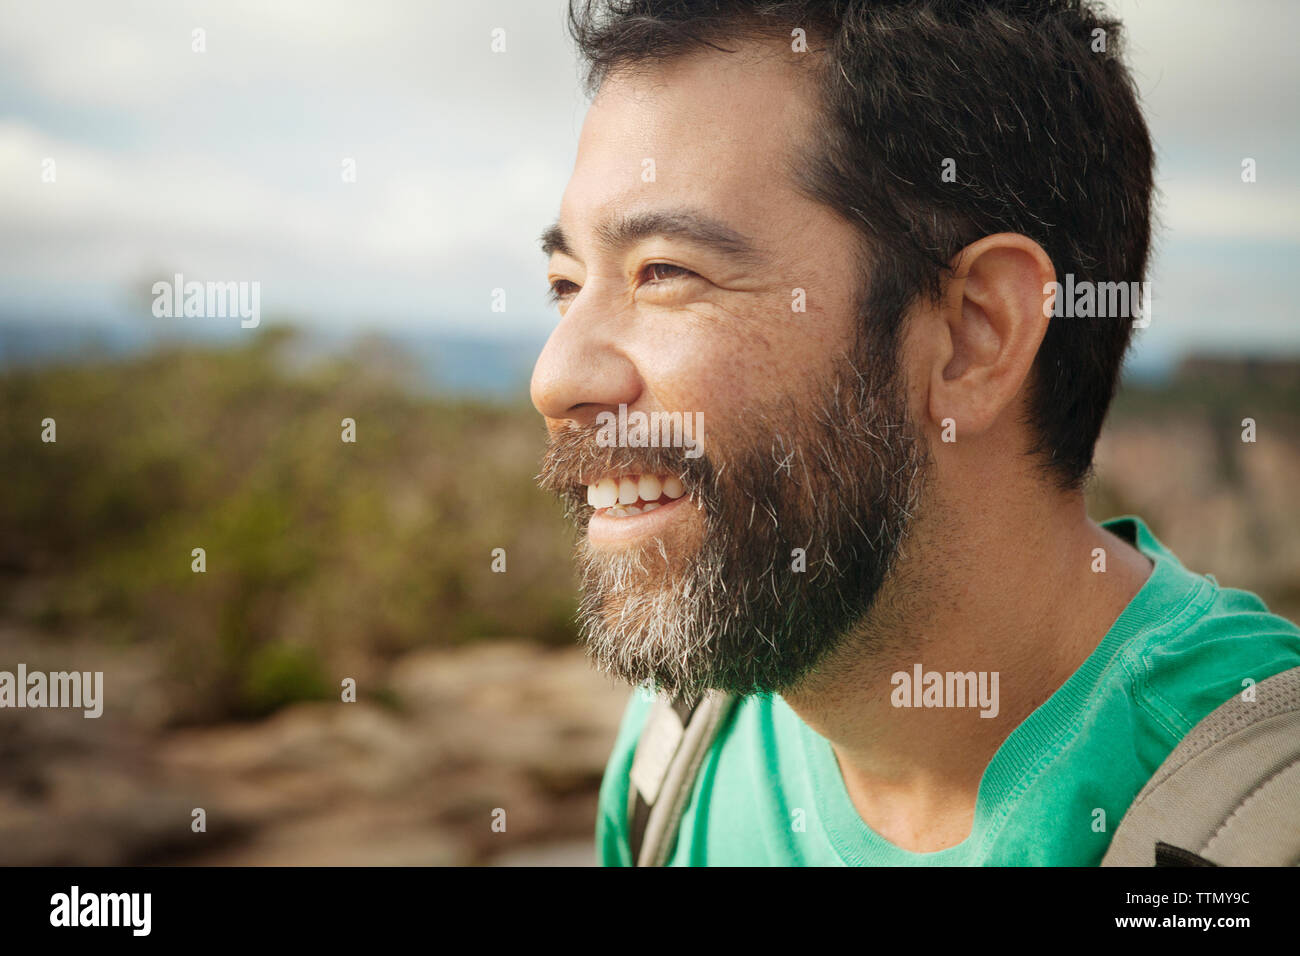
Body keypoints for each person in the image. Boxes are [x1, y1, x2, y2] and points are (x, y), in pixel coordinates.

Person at [530, 0, 1300, 865]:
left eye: (664, 272)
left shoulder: (1256, 823)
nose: (554, 380)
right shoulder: (674, 754)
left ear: (976, 333)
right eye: (566, 283)